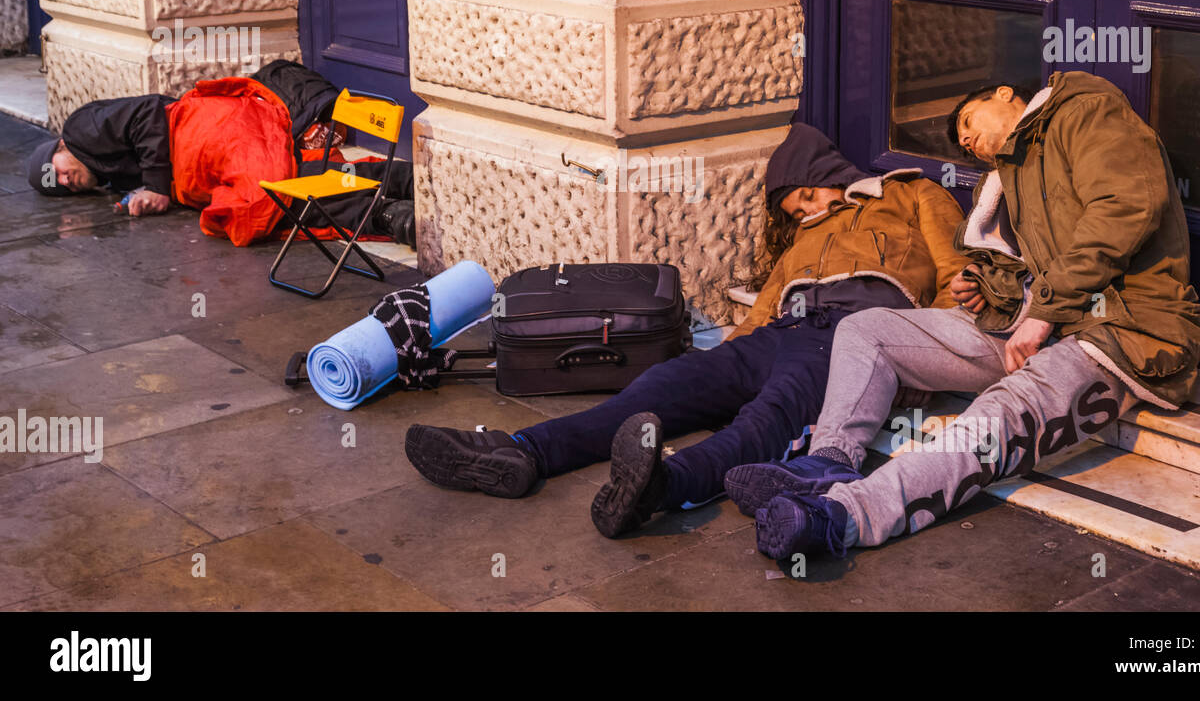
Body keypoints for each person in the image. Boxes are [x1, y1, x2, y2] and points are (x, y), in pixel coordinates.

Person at [725, 72, 1200, 561]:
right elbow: (1025, 271)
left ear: (1005, 94)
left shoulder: (1085, 112)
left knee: (998, 413)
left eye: (969, 124)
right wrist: (981, 288)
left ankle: (844, 517)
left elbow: (1124, 210)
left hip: (1123, 332)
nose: (967, 142)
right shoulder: (1009, 178)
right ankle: (828, 462)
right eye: (963, 143)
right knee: (866, 330)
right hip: (1035, 328)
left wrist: (1044, 312)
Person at [404, 122, 969, 538]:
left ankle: (665, 486)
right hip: (784, 329)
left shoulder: (910, 193)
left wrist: (916, 354)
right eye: (795, 211)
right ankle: (521, 451)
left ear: (824, 174)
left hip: (854, 333)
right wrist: (741, 339)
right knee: (662, 386)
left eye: (804, 198)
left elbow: (955, 276)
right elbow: (772, 297)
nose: (806, 213)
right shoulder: (804, 239)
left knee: (768, 418)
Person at [25, 61, 417, 246]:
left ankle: (384, 216)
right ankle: (394, 182)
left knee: (262, 200)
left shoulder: (80, 129)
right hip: (206, 161)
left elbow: (148, 112)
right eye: (62, 188)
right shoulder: (102, 169)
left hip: (208, 133)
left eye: (55, 170)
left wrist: (157, 187)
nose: (65, 180)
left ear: (60, 147)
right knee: (285, 177)